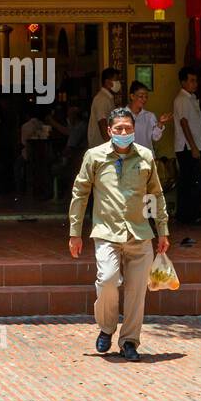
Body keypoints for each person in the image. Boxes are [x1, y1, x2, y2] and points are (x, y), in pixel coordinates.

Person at [69, 107, 170, 362]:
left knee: (137, 293)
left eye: (128, 128)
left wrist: (162, 230)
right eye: (119, 129)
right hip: (106, 233)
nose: (124, 132)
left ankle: (129, 342)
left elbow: (155, 194)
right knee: (107, 280)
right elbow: (80, 193)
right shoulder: (94, 156)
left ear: (134, 130)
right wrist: (75, 232)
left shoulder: (145, 156)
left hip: (140, 234)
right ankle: (106, 326)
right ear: (109, 131)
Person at [172, 65, 201, 225]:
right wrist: (193, 147)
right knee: (188, 181)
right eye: (191, 81)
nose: (195, 84)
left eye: (196, 81)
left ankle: (191, 214)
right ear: (183, 82)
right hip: (186, 147)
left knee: (192, 181)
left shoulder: (191, 98)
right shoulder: (182, 99)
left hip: (194, 146)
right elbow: (184, 123)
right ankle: (186, 216)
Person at [127, 81, 171, 152]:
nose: (144, 99)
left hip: (146, 157)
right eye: (141, 96)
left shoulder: (149, 116)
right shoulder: (121, 115)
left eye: (146, 97)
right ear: (132, 96)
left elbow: (155, 137)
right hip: (128, 158)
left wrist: (160, 123)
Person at [86, 67, 122, 147]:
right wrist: (111, 144)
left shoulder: (108, 98)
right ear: (107, 82)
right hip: (101, 145)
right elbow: (102, 123)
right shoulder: (102, 99)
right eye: (116, 80)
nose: (118, 83)